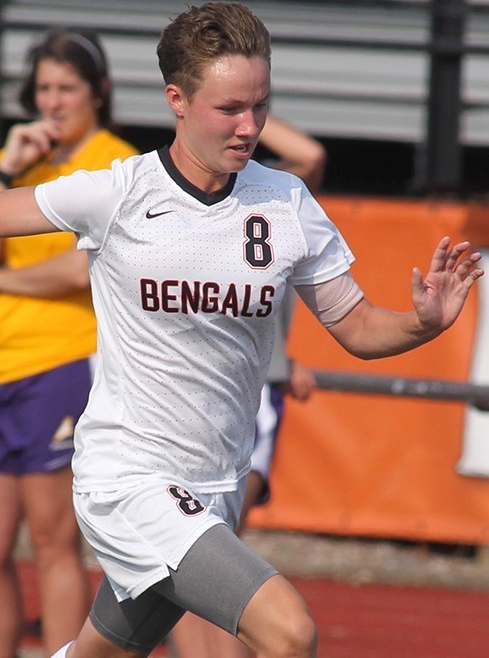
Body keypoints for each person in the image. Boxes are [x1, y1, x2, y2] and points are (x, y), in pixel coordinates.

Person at [0, 2, 483, 658]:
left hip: (214, 486)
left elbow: (358, 326)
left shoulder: (285, 203)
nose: (250, 126)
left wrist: (423, 323)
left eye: (260, 106)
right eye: (229, 108)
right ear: (177, 100)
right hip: (128, 481)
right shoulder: (120, 192)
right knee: (289, 632)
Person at [0, 28, 138, 658]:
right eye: (42, 90)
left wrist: (3, 278)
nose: (53, 102)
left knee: (54, 541)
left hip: (65, 366)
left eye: (67, 88)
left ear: (100, 93)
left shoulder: (119, 164)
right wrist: (5, 171)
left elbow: (82, 270)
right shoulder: (17, 161)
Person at [167, 114, 325, 658]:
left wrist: (228, 108)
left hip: (247, 403)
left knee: (211, 552)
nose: (245, 125)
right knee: (180, 565)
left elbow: (308, 156)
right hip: (172, 407)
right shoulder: (154, 192)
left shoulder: (272, 195)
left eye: (254, 108)